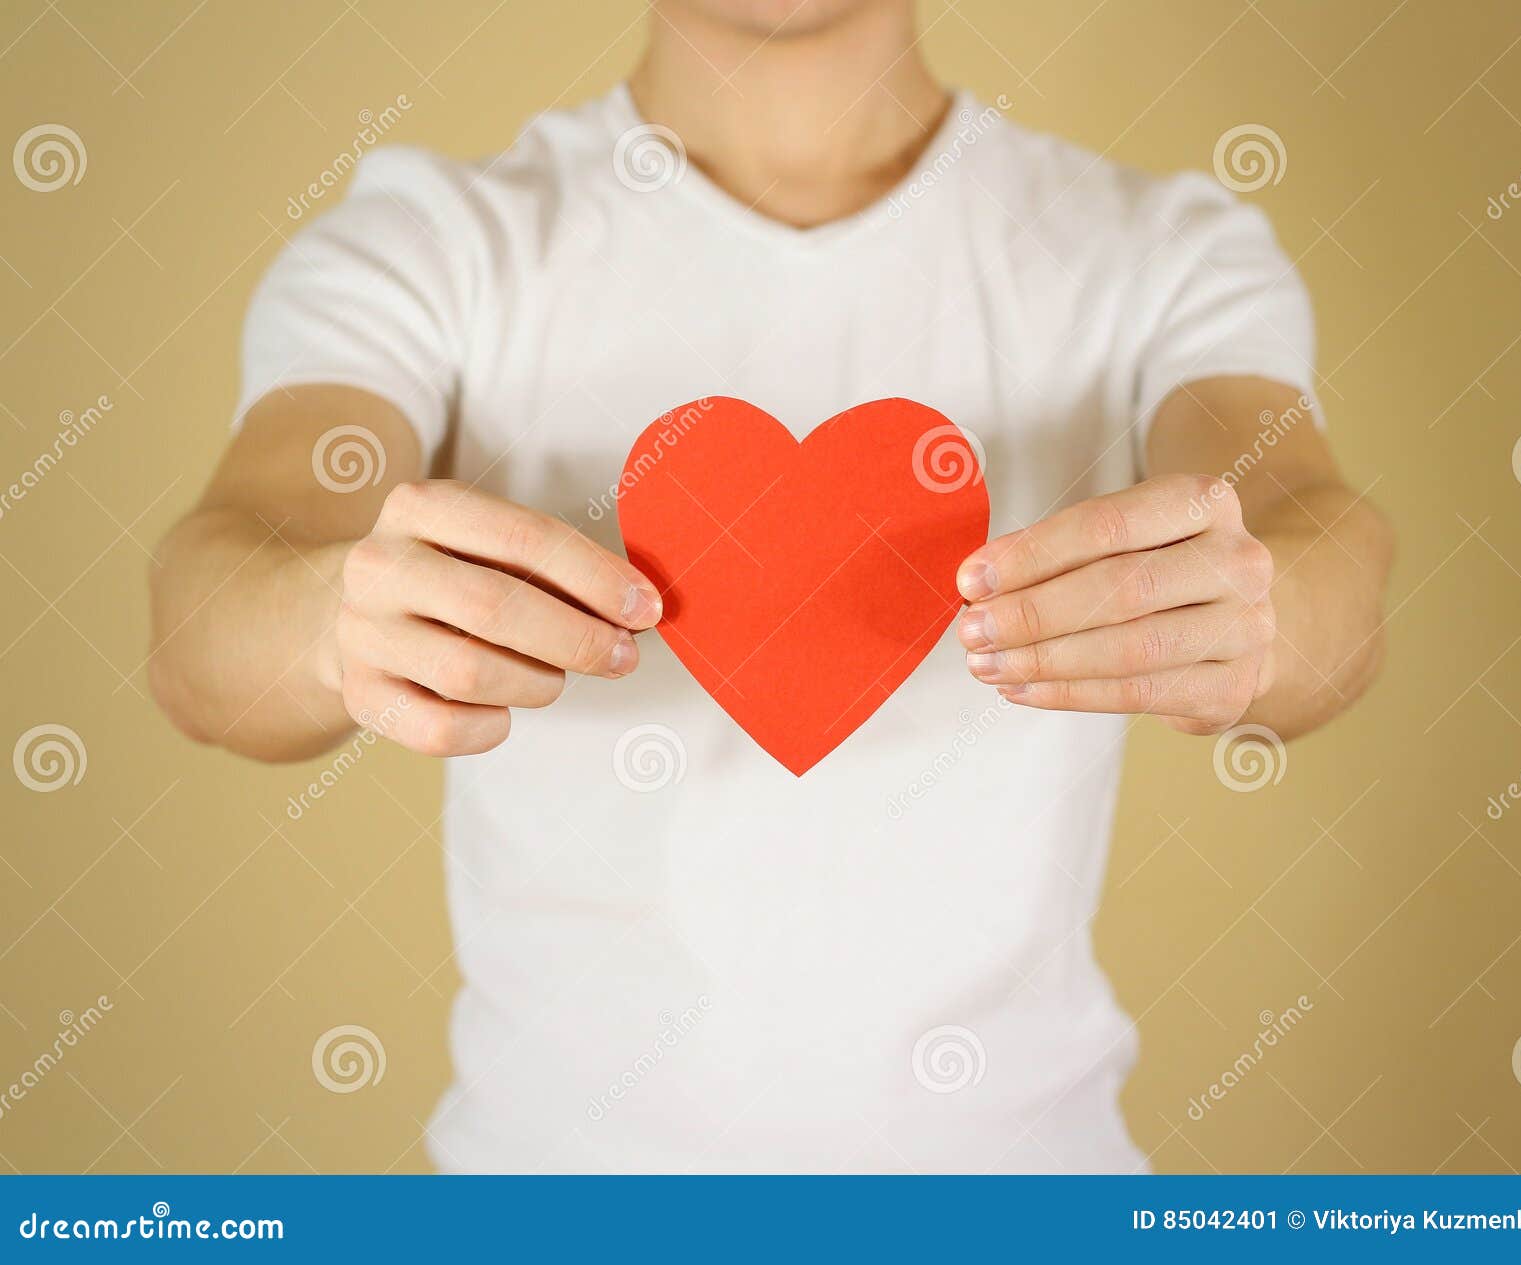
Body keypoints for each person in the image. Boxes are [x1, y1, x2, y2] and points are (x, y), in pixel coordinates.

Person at [149, 0, 1392, 1172]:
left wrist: (1261, 607)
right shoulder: (431, 239)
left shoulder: (1156, 248)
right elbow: (213, 610)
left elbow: (1297, 525)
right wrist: (328, 622)